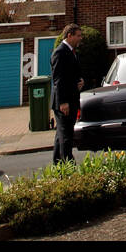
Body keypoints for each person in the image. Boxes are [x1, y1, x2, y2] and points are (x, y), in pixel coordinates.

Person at [49, 24, 84, 164]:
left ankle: (58, 165)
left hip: (71, 99)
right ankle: (69, 167)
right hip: (64, 103)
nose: (80, 38)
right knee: (66, 137)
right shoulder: (60, 53)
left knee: (61, 135)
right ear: (69, 35)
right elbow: (58, 79)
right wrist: (62, 102)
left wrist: (80, 81)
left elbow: (70, 74)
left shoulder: (72, 52)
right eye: (78, 36)